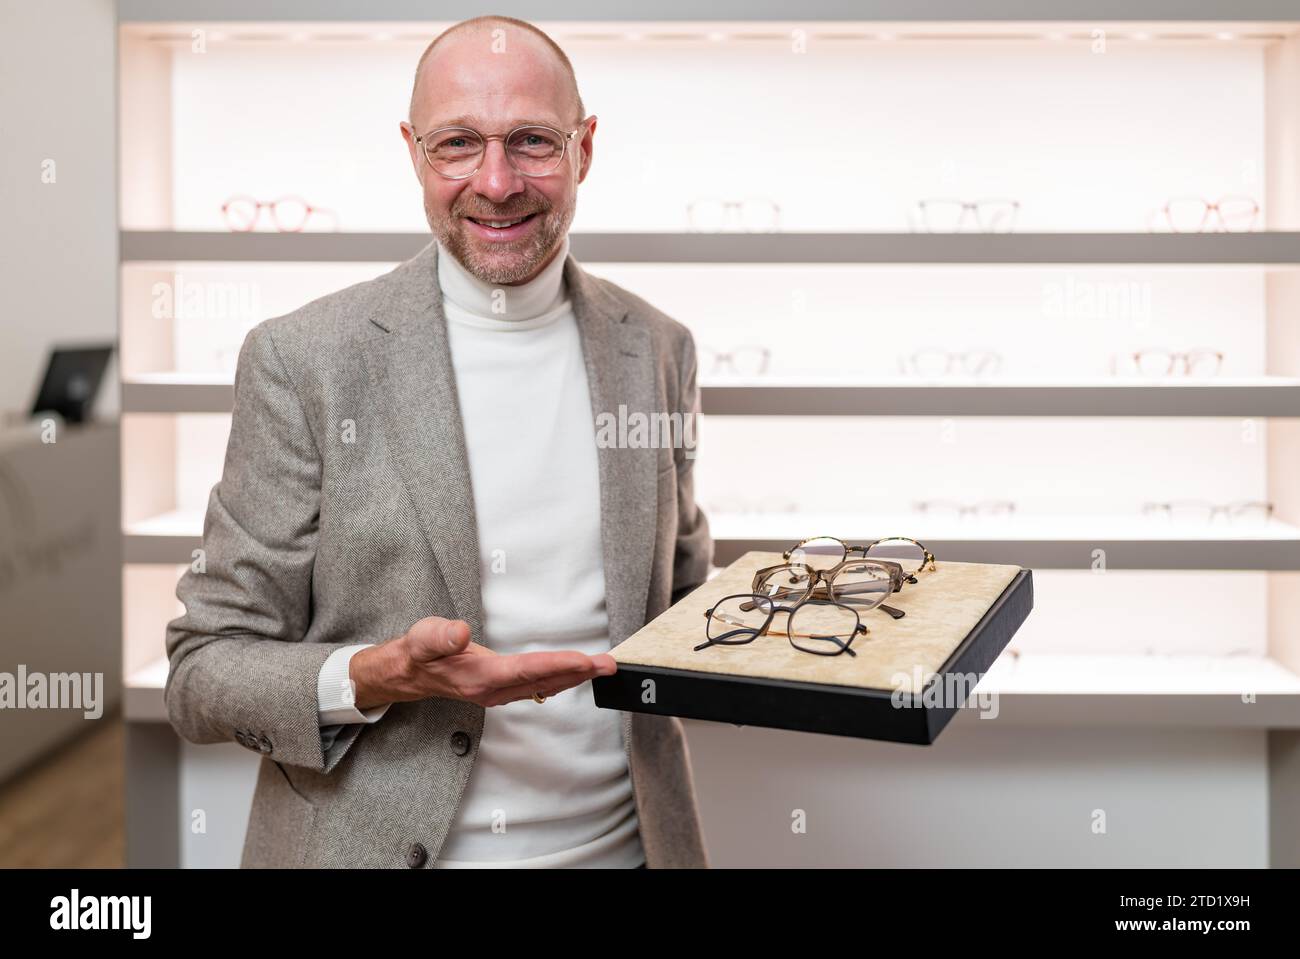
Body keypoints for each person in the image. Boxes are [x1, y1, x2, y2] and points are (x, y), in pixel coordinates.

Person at [164, 15, 712, 869]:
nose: (496, 182)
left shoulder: (659, 348)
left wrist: (822, 627)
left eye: (532, 140)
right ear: (414, 152)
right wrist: (378, 674)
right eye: (458, 143)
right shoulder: (305, 359)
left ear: (586, 150)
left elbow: (679, 605)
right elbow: (202, 674)